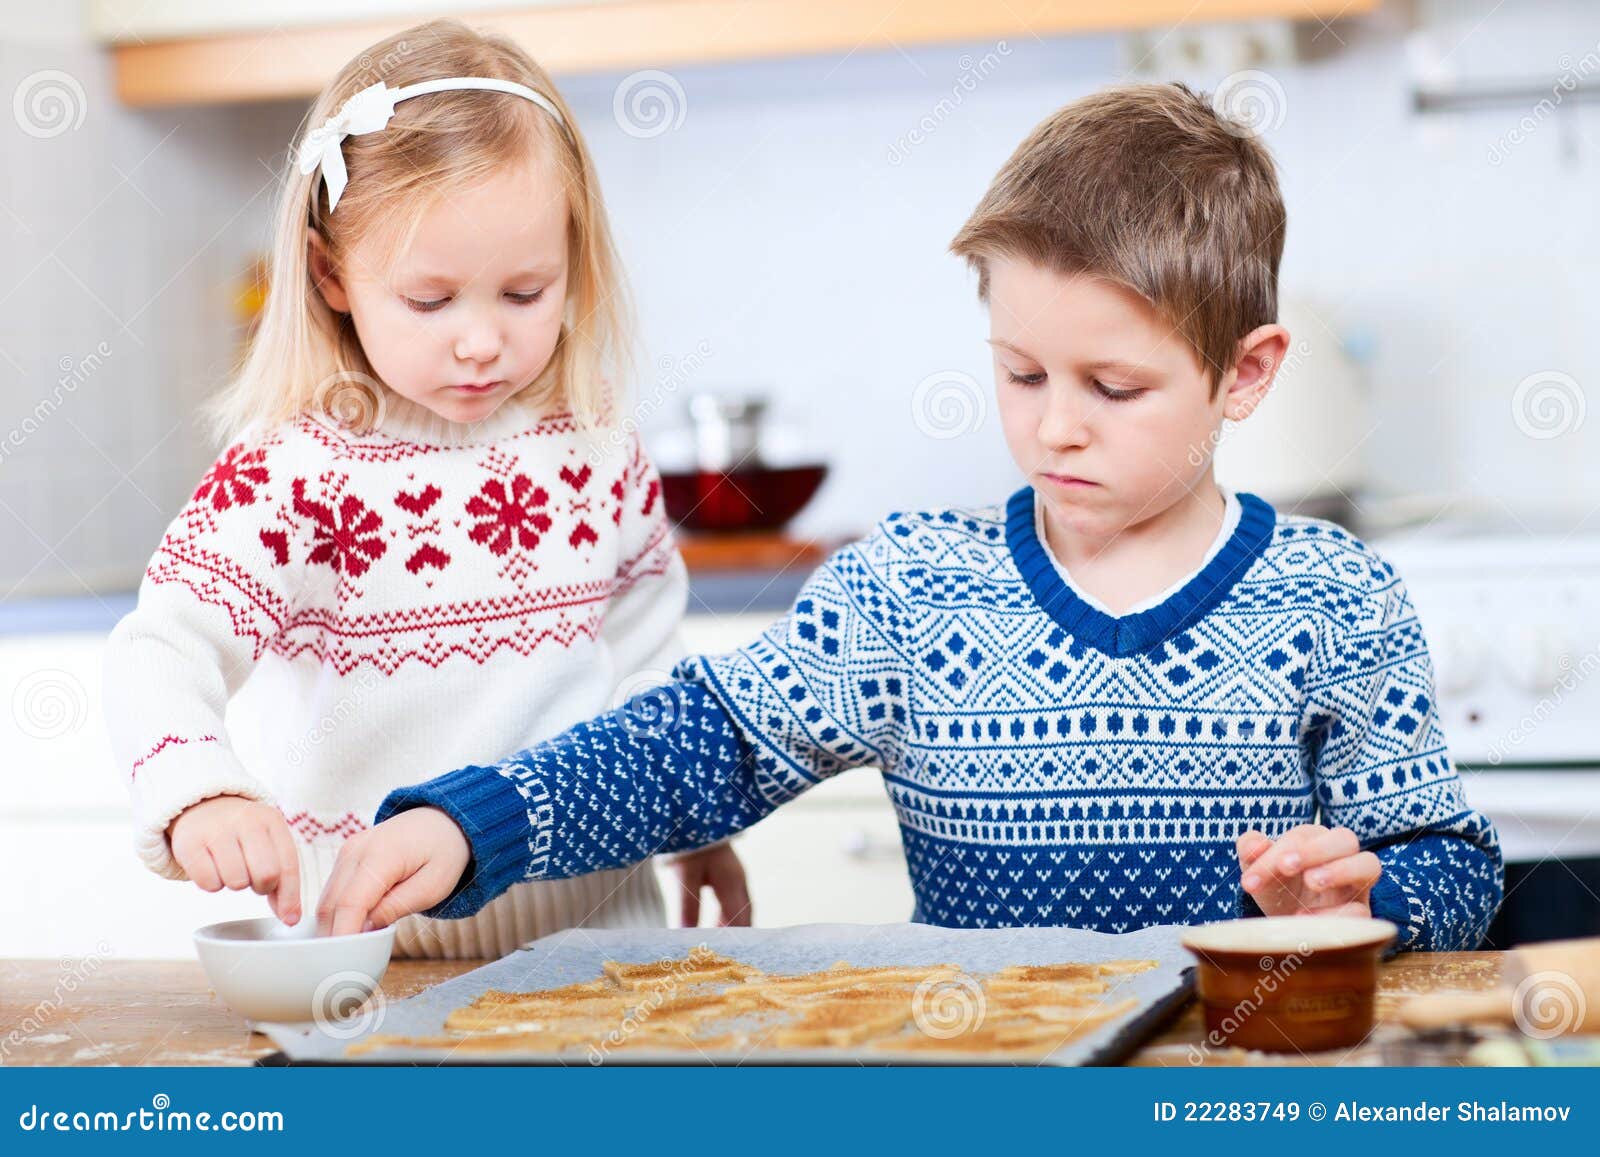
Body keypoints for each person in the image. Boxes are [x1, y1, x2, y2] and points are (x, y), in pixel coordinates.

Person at [316, 83, 1502, 953]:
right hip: (987, 1092)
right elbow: (702, 743)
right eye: (1022, 373)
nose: (1055, 428)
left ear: (1243, 375)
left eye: (1114, 387)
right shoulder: (915, 589)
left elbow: (1450, 861)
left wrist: (1369, 905)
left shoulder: (1334, 594)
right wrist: (482, 822)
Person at [102, 19, 749, 959]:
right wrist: (200, 783)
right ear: (331, 274)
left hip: (607, 938)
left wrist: (693, 824)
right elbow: (161, 647)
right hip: (374, 952)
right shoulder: (296, 466)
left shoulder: (594, 437)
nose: (481, 339)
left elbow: (646, 663)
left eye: (525, 292)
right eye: (432, 300)